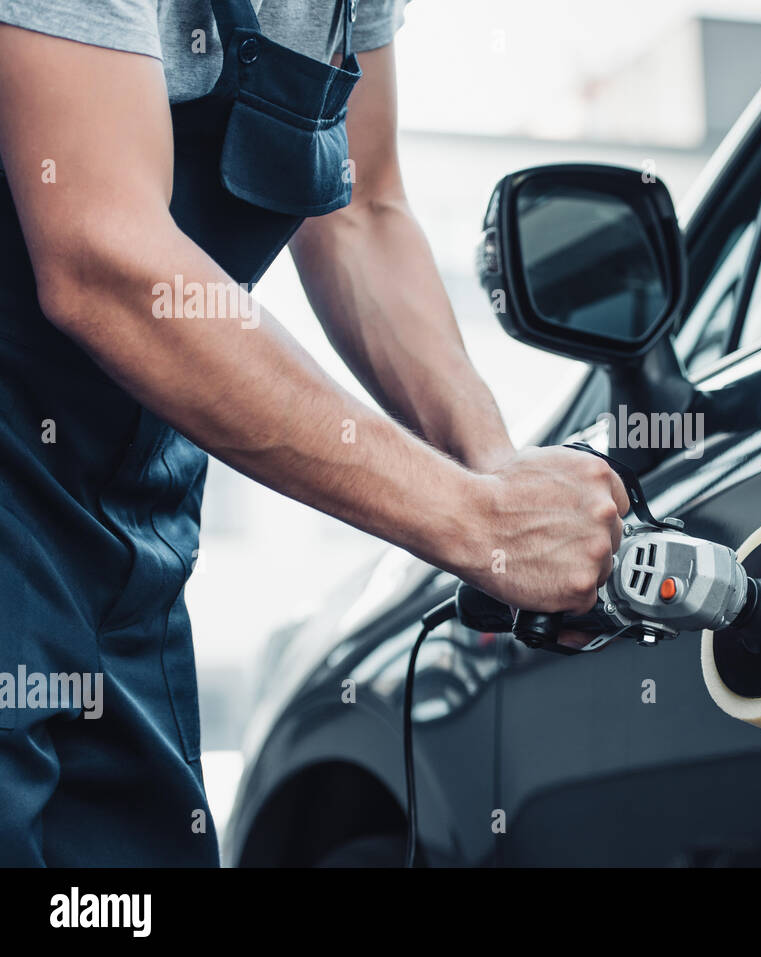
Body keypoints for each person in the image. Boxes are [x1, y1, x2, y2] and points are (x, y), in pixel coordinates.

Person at [0, 0, 628, 866]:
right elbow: (102, 256)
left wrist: (500, 472)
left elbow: (361, 208)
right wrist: (474, 524)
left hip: (126, 543)